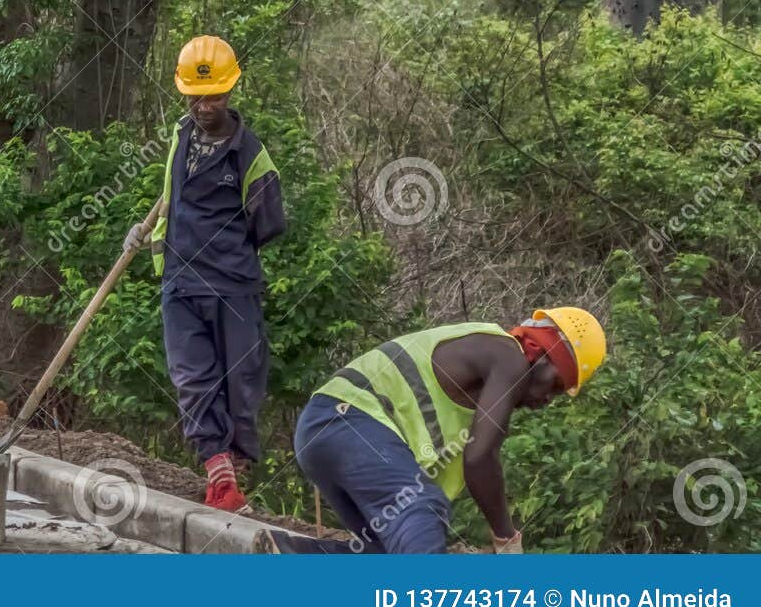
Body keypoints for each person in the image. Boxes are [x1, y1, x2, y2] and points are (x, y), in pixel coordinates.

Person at [293, 308, 606, 553]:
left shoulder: (478, 398)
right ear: (540, 353)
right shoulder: (508, 357)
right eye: (555, 384)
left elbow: (464, 466)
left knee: (389, 552)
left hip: (324, 429)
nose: (547, 401)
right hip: (348, 418)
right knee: (420, 507)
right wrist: (506, 537)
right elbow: (480, 459)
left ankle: (297, 558)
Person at [125, 35, 285, 513]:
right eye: (195, 96)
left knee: (240, 381)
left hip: (233, 286)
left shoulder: (251, 156)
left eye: (213, 95)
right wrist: (145, 227)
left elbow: (269, 224)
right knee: (193, 376)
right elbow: (170, 193)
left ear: (231, 91)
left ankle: (233, 467)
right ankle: (219, 475)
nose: (203, 105)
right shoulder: (180, 135)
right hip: (179, 279)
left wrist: (225, 251)